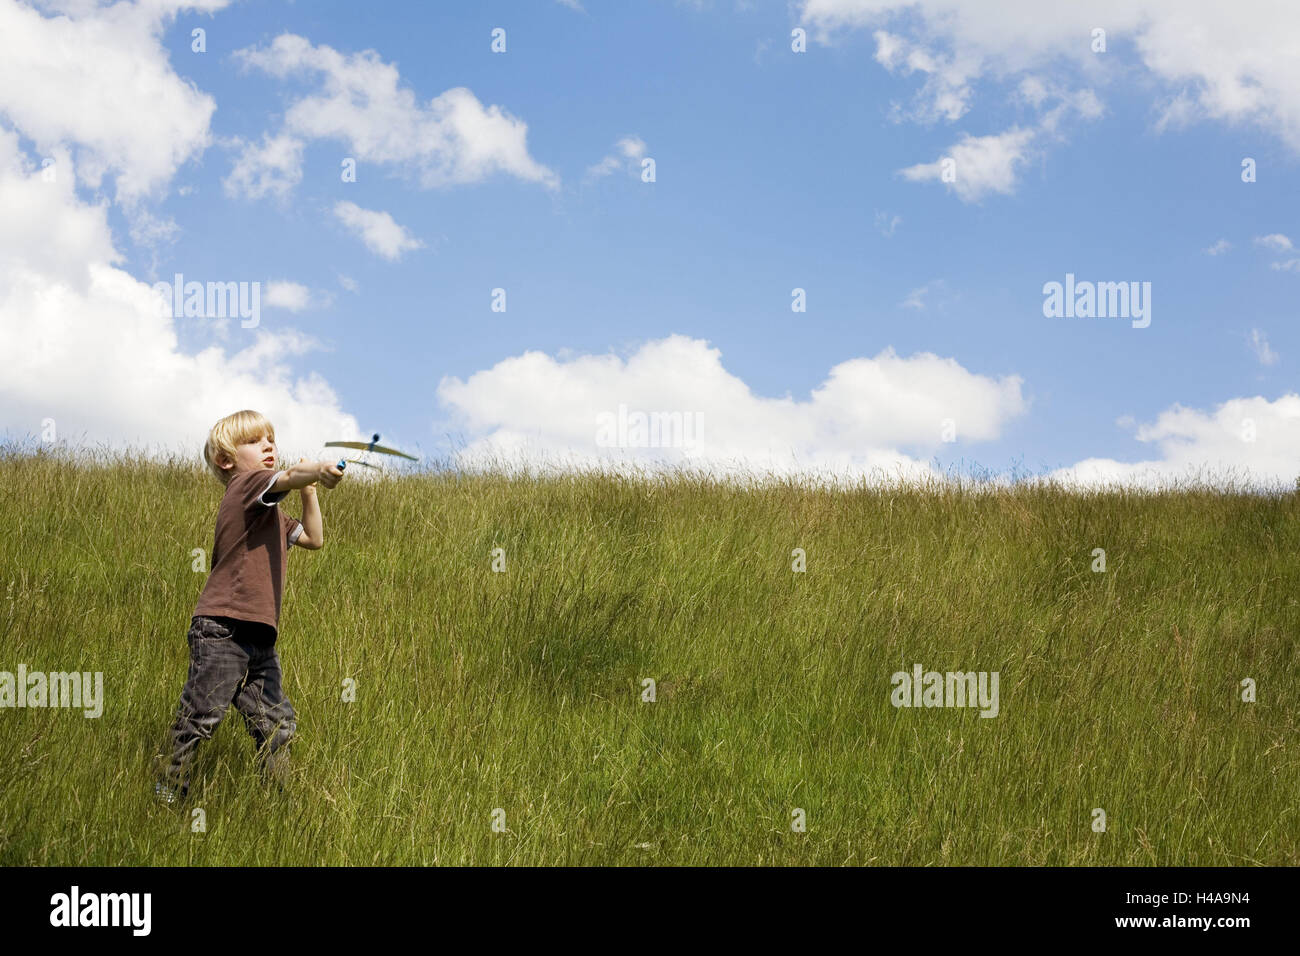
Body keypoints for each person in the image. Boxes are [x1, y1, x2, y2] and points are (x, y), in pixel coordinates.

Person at [155, 409, 344, 803]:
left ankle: (279, 803)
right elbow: (286, 478)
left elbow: (313, 538)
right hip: (223, 627)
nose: (268, 445)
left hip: (259, 634)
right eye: (256, 442)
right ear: (228, 461)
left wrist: (311, 489)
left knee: (275, 723)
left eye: (271, 439)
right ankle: (168, 790)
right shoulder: (247, 485)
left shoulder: (270, 512)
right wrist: (309, 473)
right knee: (202, 713)